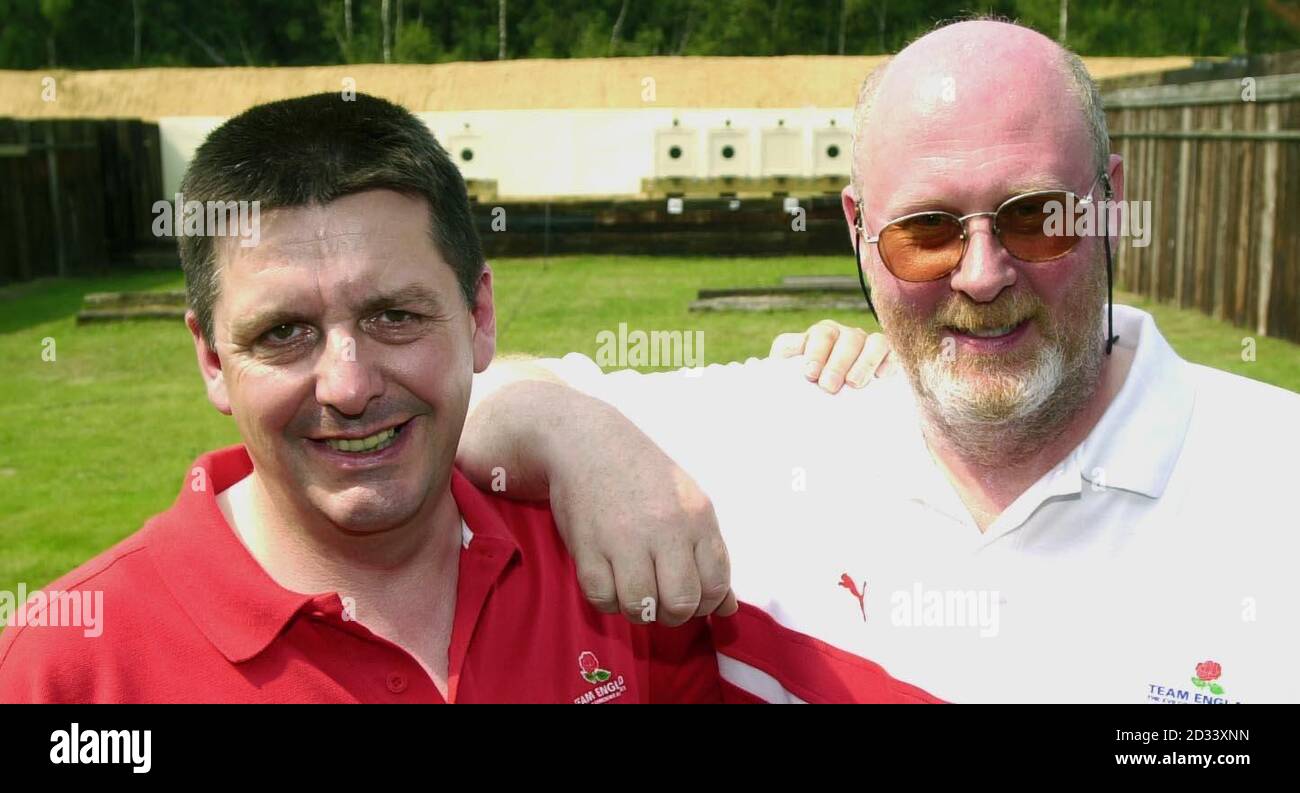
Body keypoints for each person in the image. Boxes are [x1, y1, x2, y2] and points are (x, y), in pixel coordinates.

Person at [458, 19, 1300, 703]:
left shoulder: (1274, 479)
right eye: (927, 231)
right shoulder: (785, 427)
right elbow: (469, 400)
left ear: (1111, 202)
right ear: (858, 234)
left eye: (1037, 216)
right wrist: (585, 440)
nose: (982, 273)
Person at [0, 92, 723, 704]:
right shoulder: (67, 671)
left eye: (394, 317)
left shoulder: (620, 569)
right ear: (213, 358)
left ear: (480, 318)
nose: (348, 386)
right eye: (284, 331)